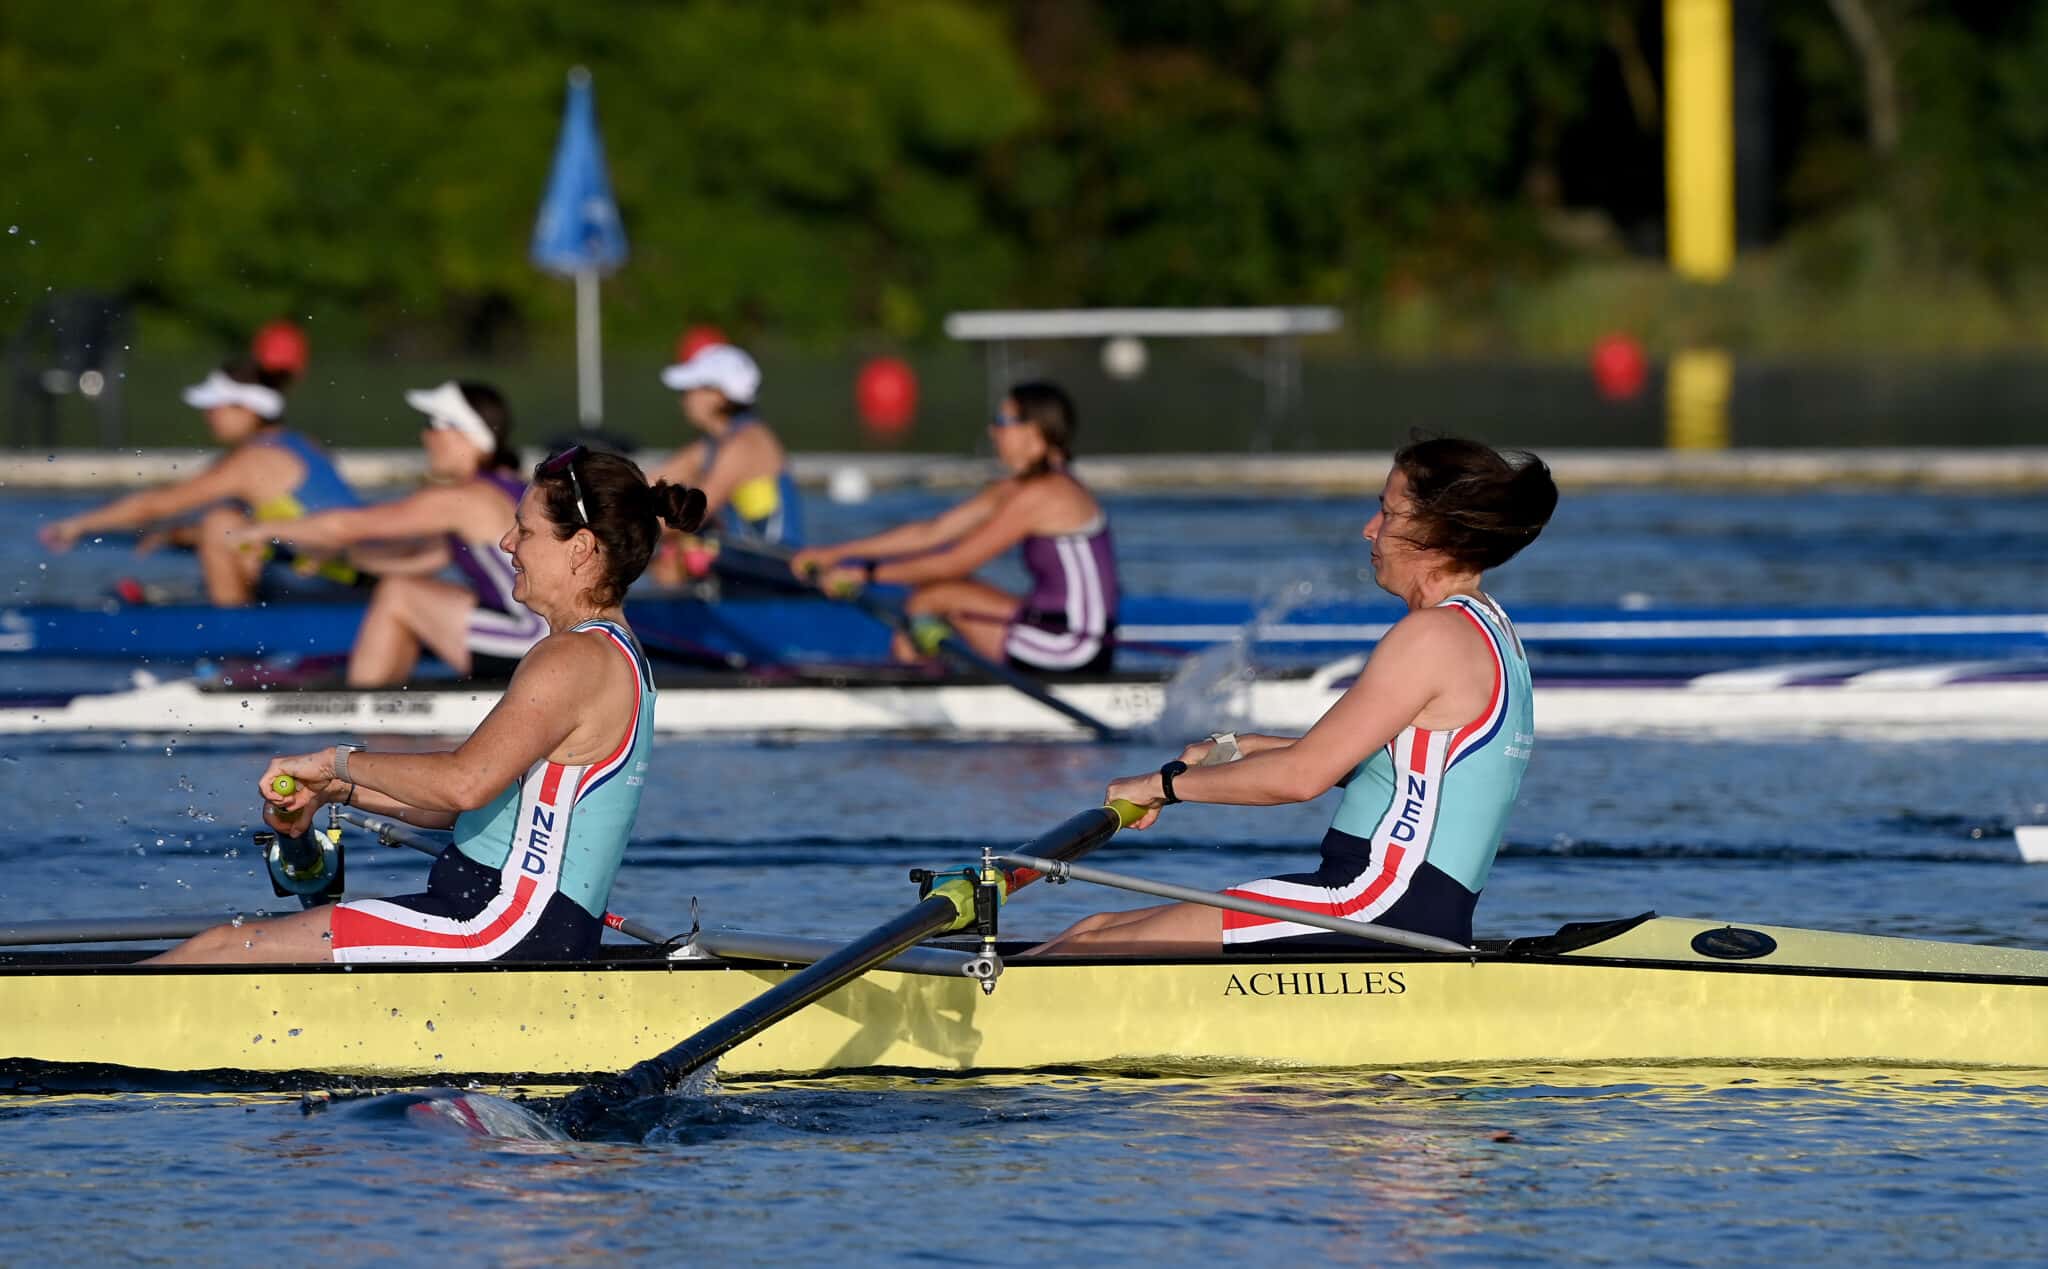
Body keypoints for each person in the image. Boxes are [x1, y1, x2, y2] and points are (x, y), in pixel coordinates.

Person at [148, 448, 707, 964]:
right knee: (224, 945)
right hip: (506, 919)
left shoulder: (574, 657)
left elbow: (463, 785)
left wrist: (335, 760)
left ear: (580, 548)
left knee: (222, 949)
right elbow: (466, 808)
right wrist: (336, 790)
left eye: (525, 530)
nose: (506, 543)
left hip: (502, 927)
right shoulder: (607, 652)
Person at [1031, 436, 1557, 955]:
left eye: (1388, 513)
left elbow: (1302, 777)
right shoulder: (1490, 626)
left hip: (1375, 904)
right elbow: (1404, 770)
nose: (1369, 528)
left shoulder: (1432, 636)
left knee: (1085, 952)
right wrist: (1244, 746)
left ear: (1435, 529)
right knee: (1092, 930)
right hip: (1403, 906)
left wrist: (1161, 786)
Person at [228, 381, 544, 687]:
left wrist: (261, 530)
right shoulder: (505, 485)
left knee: (399, 594)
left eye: (433, 425)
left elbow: (348, 527)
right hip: (538, 630)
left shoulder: (463, 498)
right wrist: (334, 557)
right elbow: (419, 559)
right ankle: (382, 695)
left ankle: (360, 703)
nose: (425, 436)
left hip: (530, 639)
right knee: (402, 588)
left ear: (466, 434)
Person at [790, 381, 1119, 673]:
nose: (992, 431)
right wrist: (835, 554)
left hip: (1073, 645)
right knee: (934, 592)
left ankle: (915, 689)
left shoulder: (1047, 495)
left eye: (1002, 421)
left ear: (1034, 434)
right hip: (1046, 623)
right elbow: (932, 532)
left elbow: (955, 561)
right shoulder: (1017, 488)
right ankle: (924, 676)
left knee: (933, 597)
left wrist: (863, 575)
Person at [38, 357, 361, 605]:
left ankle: (233, 640)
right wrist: (176, 535)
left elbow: (153, 506)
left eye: (214, 407)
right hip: (348, 576)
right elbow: (279, 527)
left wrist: (76, 525)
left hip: (331, 582)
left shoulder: (253, 460)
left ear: (247, 409)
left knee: (220, 524)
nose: (208, 416)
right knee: (225, 527)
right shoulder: (304, 444)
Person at [645, 343, 803, 580]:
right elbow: (651, 479)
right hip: (742, 565)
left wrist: (622, 531)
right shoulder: (713, 445)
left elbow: (692, 515)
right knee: (671, 551)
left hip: (775, 573)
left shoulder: (746, 446)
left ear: (718, 395)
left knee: (674, 556)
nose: (683, 400)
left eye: (689, 390)